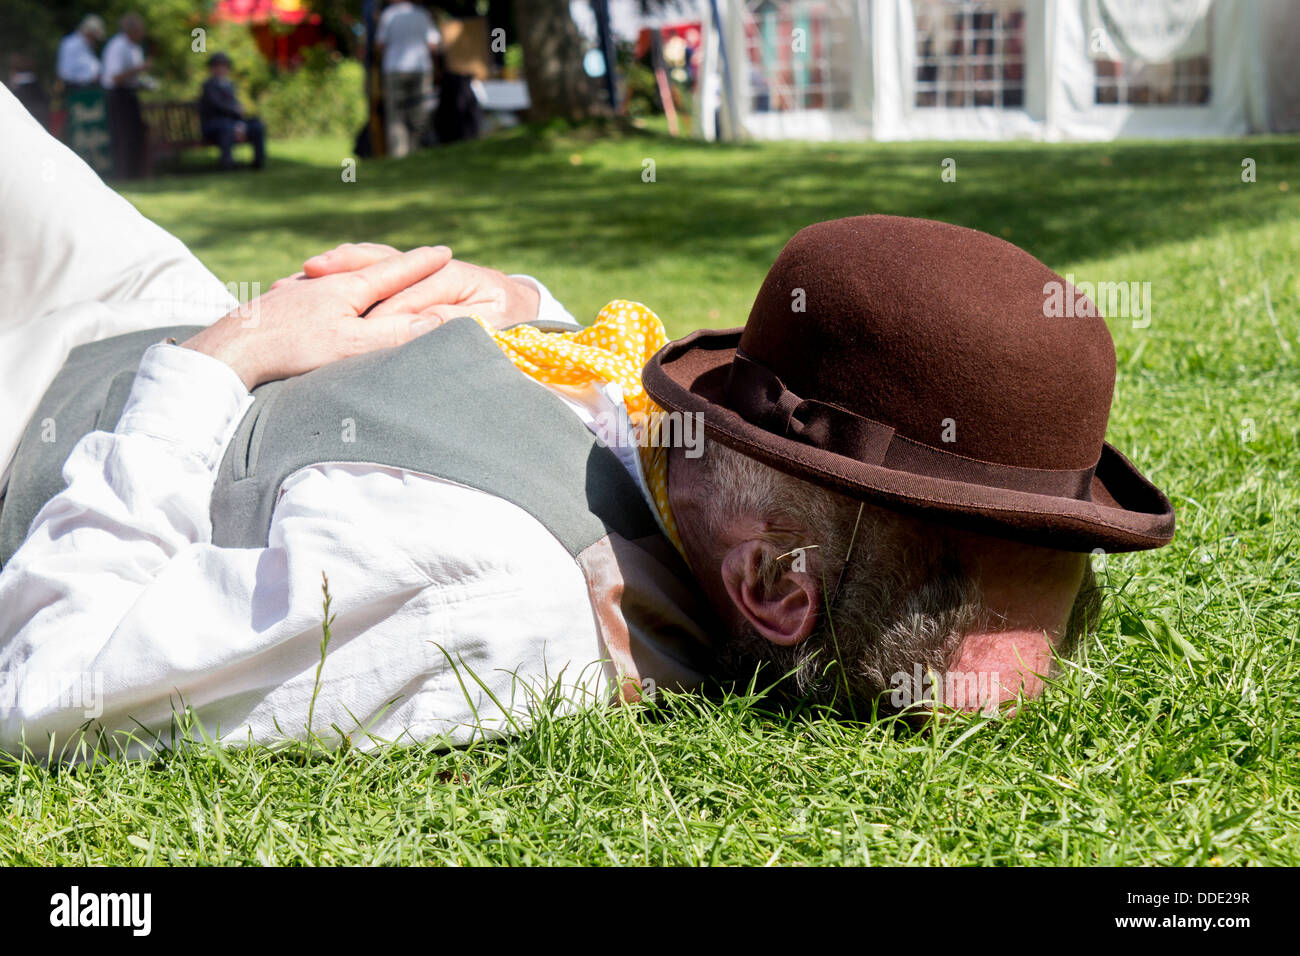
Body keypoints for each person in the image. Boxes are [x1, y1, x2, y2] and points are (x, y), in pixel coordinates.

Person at [0, 83, 1175, 761]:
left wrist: (216, 364)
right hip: (142, 298)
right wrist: (514, 313)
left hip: (42, 410)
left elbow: (52, 687)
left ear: (770, 585)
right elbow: (630, 449)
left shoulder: (488, 596)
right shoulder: (725, 515)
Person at [375, 0, 440, 157]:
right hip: (420, 69)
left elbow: (379, 44)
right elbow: (433, 44)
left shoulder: (389, 15)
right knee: (420, 113)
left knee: (395, 115)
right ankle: (418, 152)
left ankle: (399, 154)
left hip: (394, 68)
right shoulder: (422, 15)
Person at [101, 12, 151, 180]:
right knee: (123, 135)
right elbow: (115, 77)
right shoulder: (118, 46)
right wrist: (139, 69)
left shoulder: (134, 47)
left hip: (130, 93)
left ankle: (135, 173)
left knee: (135, 134)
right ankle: (123, 174)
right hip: (118, 95)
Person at [198, 52, 266, 171]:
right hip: (213, 125)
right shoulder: (208, 86)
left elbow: (235, 107)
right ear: (212, 68)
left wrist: (239, 124)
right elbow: (219, 105)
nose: (220, 69)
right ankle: (227, 163)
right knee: (227, 127)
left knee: (257, 125)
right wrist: (235, 116)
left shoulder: (229, 85)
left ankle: (258, 162)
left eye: (223, 66)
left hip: (231, 123)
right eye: (217, 66)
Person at [55, 15, 106, 90]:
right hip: (76, 89)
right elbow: (66, 73)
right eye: (94, 37)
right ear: (89, 33)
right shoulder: (71, 44)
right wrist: (90, 77)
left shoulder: (86, 46)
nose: (95, 41)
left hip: (89, 88)